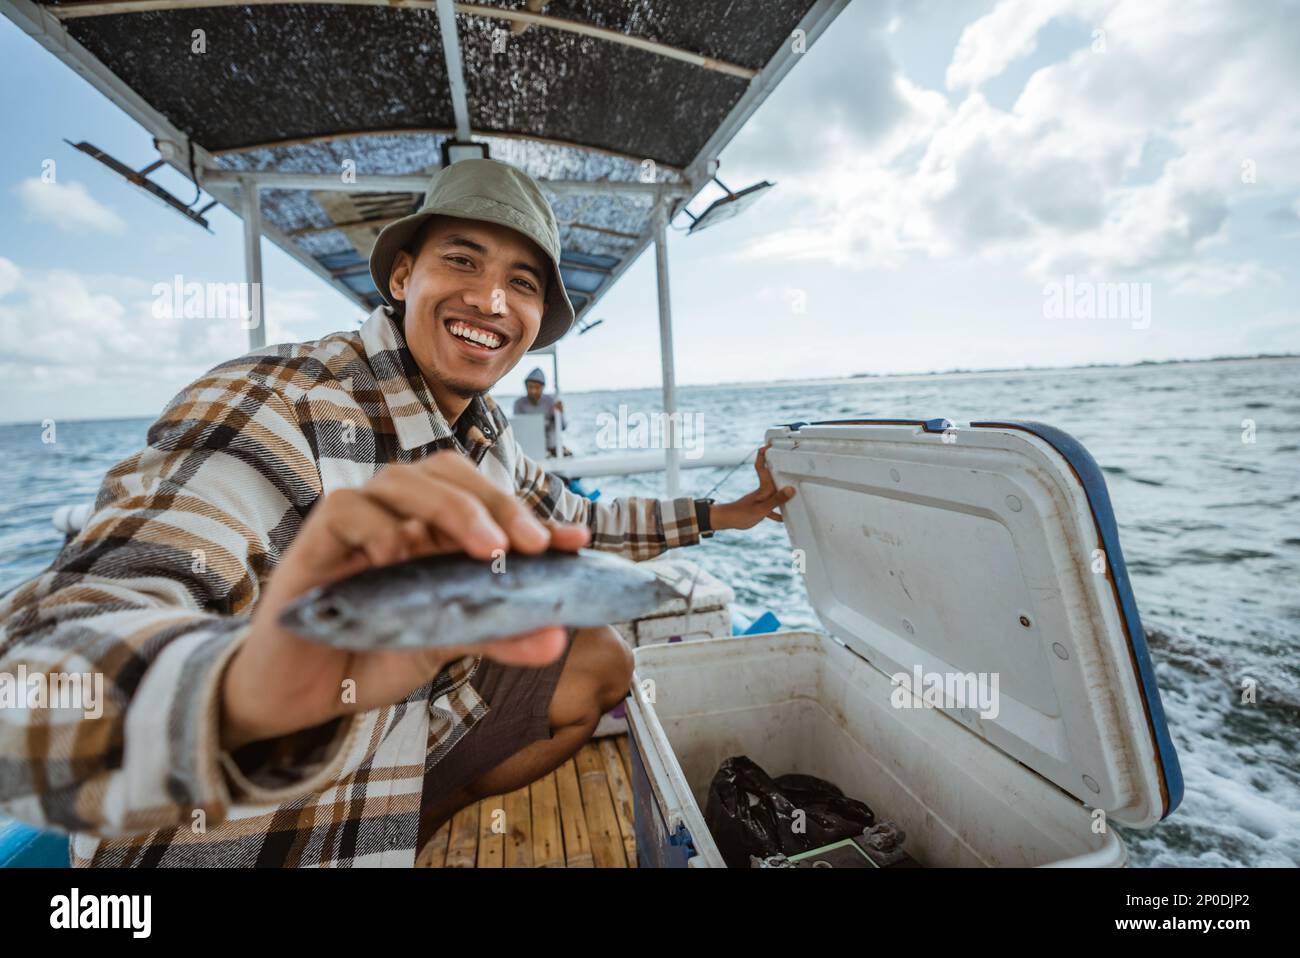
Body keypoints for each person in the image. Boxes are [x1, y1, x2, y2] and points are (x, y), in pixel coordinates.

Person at [0, 158, 796, 867]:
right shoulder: (277, 403)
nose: (491, 299)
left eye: (523, 283)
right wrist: (246, 688)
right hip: (233, 826)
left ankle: (412, 824)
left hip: (397, 728)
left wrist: (727, 512)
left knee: (601, 660)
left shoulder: (486, 433)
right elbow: (42, 668)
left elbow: (576, 522)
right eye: (463, 260)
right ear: (401, 276)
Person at [512, 366, 567, 457]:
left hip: (552, 448)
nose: (533, 391)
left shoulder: (551, 401)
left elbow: (563, 427)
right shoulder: (519, 404)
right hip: (528, 449)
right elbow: (519, 431)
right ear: (526, 386)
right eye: (530, 387)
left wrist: (560, 413)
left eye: (537, 387)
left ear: (543, 387)